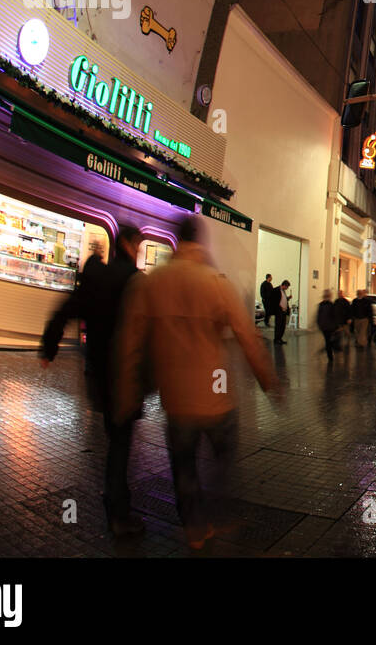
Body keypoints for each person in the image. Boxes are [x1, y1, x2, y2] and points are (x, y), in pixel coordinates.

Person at [115, 215, 278, 550]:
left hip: (177, 399)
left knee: (184, 465)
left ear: (176, 241)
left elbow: (129, 344)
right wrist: (267, 379)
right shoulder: (215, 281)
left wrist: (126, 395)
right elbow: (247, 334)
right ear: (200, 242)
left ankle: (194, 528)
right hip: (217, 394)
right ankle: (219, 513)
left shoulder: (149, 284)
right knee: (223, 456)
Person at [41, 224, 146, 538]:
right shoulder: (133, 281)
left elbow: (65, 309)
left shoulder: (97, 277)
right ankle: (118, 512)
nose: (140, 248)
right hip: (124, 376)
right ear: (128, 244)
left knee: (115, 440)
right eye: (138, 242)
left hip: (98, 373)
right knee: (120, 446)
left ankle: (116, 501)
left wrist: (49, 345)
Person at [316, 289, 337, 361]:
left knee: (327, 340)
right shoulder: (331, 305)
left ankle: (329, 353)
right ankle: (330, 355)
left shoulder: (321, 305)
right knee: (328, 340)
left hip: (324, 326)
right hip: (329, 326)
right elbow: (334, 316)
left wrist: (319, 324)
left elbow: (318, 316)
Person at [273, 280, 291, 345]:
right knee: (278, 325)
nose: (287, 288)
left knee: (283, 326)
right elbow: (274, 300)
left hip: (284, 311)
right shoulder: (276, 290)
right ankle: (276, 339)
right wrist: (278, 307)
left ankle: (280, 338)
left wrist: (288, 298)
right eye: (287, 287)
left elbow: (283, 299)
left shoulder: (283, 291)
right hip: (279, 311)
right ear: (284, 285)